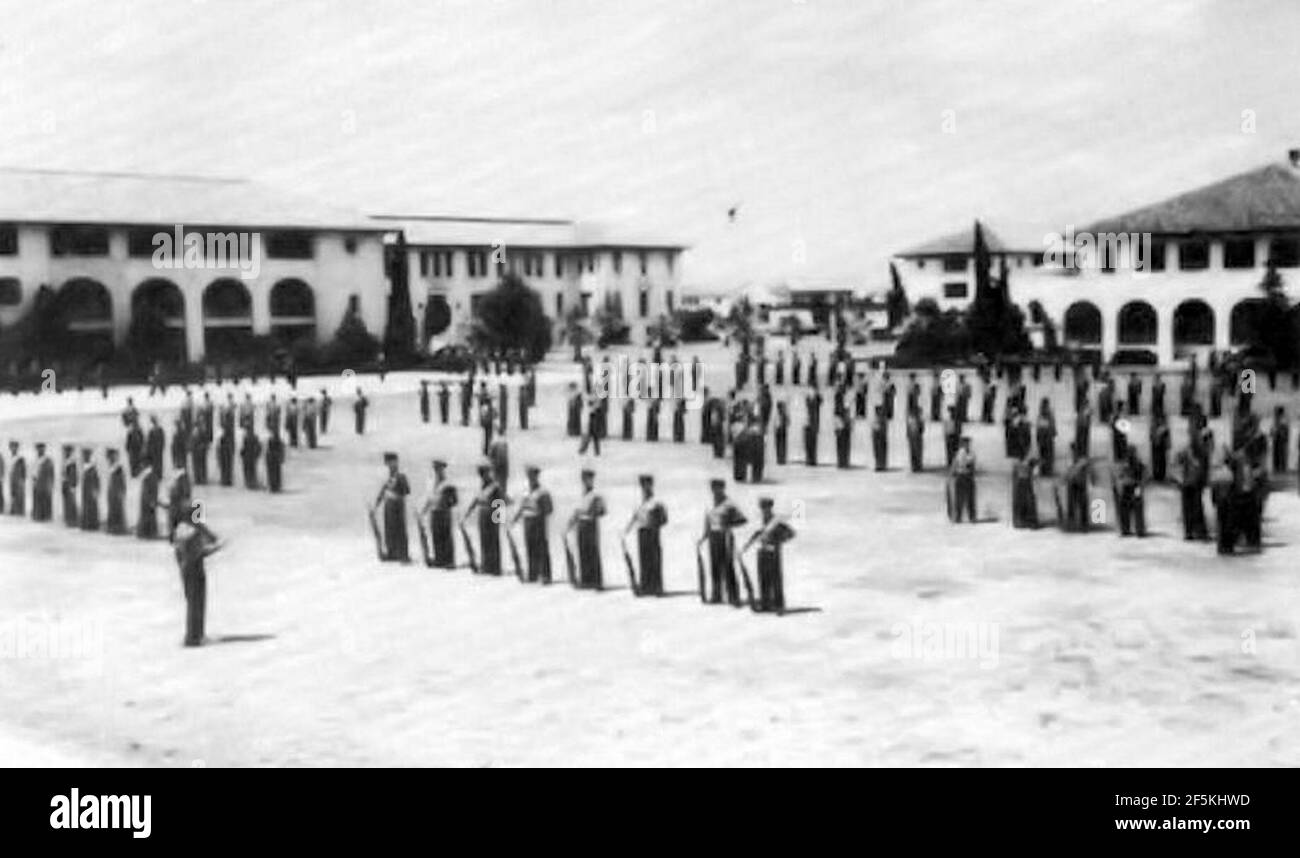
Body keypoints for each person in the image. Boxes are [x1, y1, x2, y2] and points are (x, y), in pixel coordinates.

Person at [172, 505, 222, 647]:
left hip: (186, 570)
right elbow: (198, 552)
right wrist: (216, 548)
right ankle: (194, 636)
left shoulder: (181, 530)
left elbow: (179, 553)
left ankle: (195, 634)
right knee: (197, 603)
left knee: (192, 602)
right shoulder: (191, 532)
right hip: (195, 570)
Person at [742, 497, 795, 613]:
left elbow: (791, 533)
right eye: (762, 508)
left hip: (773, 552)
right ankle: (765, 603)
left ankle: (779, 604)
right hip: (762, 552)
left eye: (766, 508)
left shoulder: (776, 521)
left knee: (776, 578)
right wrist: (746, 547)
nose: (764, 510)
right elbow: (756, 534)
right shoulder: (762, 521)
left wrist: (779, 541)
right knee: (763, 578)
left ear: (770, 508)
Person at [699, 478, 747, 606]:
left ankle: (733, 595)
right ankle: (717, 594)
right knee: (714, 566)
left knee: (727, 565)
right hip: (713, 537)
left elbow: (742, 520)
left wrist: (729, 525)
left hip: (725, 535)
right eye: (713, 488)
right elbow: (707, 521)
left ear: (722, 488)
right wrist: (703, 537)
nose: (715, 491)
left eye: (718, 488)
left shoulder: (729, 504)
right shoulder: (710, 505)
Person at [625, 474, 667, 597]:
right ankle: (646, 586)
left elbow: (664, 519)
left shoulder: (657, 503)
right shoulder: (639, 503)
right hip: (642, 532)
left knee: (654, 559)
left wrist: (656, 525)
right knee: (644, 560)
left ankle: (657, 587)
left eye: (647, 485)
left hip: (652, 532)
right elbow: (634, 518)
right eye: (643, 485)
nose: (645, 488)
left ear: (651, 485)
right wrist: (626, 530)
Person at [513, 465, 553, 583]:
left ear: (537, 476)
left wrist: (541, 513)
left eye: (533, 476)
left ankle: (545, 574)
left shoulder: (543, 492)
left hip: (538, 521)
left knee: (541, 547)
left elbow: (549, 509)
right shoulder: (526, 492)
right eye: (529, 476)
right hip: (528, 520)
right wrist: (516, 518)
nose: (531, 478)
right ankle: (533, 573)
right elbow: (522, 506)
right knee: (530, 547)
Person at [568, 468, 606, 589]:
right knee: (583, 551)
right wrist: (570, 524)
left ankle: (596, 580)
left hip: (590, 524)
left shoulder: (595, 495)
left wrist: (592, 513)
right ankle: (586, 579)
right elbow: (577, 512)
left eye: (588, 479)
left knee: (592, 551)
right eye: (584, 479)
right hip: (581, 524)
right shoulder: (582, 495)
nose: (586, 482)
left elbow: (602, 511)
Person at [463, 463, 504, 575]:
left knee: (493, 541)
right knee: (484, 540)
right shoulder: (482, 487)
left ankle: (495, 567)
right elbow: (475, 501)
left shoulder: (494, 486)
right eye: (481, 474)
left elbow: (499, 503)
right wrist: (467, 514)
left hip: (492, 514)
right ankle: (486, 565)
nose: (483, 476)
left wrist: (498, 520)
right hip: (483, 515)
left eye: (484, 473)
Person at [420, 460, 459, 568]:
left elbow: (455, 500)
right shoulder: (431, 483)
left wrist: (446, 504)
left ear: (443, 469)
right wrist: (424, 511)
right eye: (436, 469)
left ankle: (449, 561)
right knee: (436, 536)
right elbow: (429, 499)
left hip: (444, 513)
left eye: (439, 469)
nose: (437, 471)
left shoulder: (448, 484)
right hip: (434, 512)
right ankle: (439, 559)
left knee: (446, 536)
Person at [374, 453, 411, 563]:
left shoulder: (401, 477)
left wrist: (396, 494)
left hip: (397, 505)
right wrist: (376, 505)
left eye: (392, 462)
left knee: (400, 528)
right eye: (388, 463)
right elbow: (382, 492)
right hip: (388, 505)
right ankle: (392, 552)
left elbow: (406, 491)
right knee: (389, 529)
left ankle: (403, 554)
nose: (390, 465)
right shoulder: (388, 478)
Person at [1173, 440, 1209, 541]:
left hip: (1194, 484)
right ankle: (1190, 532)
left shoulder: (1200, 455)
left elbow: (1203, 469)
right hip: (1187, 484)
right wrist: (1178, 479)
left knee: (1196, 509)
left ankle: (1198, 532)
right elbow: (1176, 463)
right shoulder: (1186, 454)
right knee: (1189, 509)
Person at [1111, 443, 1148, 537]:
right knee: (1124, 508)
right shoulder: (1125, 464)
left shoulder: (1138, 464)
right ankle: (1125, 529)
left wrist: (1141, 486)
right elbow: (1119, 476)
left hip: (1136, 486)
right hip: (1126, 487)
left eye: (1132, 452)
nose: (1130, 454)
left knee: (1138, 507)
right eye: (1129, 452)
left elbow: (1144, 475)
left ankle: (1139, 529)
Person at [949, 437, 977, 524]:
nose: (967, 445)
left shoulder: (970, 453)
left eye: (968, 443)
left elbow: (970, 465)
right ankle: (961, 516)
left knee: (967, 498)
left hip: (966, 476)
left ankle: (968, 516)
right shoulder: (962, 453)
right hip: (962, 476)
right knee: (962, 498)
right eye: (965, 443)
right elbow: (956, 464)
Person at [1011, 452, 1038, 529]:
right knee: (1024, 502)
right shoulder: (1020, 465)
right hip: (1022, 485)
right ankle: (1022, 521)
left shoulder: (1021, 465)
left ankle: (1023, 521)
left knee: (1026, 502)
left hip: (1023, 485)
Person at [105, 449, 128, 535]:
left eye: (112, 457)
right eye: (110, 457)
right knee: (112, 510)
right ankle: (112, 527)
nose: (110, 459)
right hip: (111, 493)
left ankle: (118, 528)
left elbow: (122, 481)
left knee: (118, 510)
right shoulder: (111, 468)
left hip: (117, 493)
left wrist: (122, 492)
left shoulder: (119, 468)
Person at [137, 460, 161, 540]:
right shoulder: (146, 475)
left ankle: (150, 532)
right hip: (145, 499)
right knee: (145, 516)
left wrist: (153, 500)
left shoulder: (152, 476)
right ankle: (144, 532)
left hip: (149, 500)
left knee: (150, 517)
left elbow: (155, 489)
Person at [31, 442, 54, 522]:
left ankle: (46, 517)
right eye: (38, 449)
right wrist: (34, 480)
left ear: (44, 450)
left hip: (45, 484)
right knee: (37, 500)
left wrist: (50, 484)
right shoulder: (36, 460)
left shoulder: (48, 460)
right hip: (37, 484)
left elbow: (51, 474)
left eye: (42, 449)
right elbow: (33, 473)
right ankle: (38, 516)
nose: (40, 451)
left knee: (46, 500)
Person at [79, 448, 100, 531]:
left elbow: (97, 481)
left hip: (91, 491)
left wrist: (96, 491)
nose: (85, 457)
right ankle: (86, 524)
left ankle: (92, 525)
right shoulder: (84, 466)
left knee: (92, 508)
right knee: (85, 507)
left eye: (87, 455)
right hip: (85, 491)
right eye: (84, 456)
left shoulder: (93, 468)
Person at [60, 444, 78, 528]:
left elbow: (73, 475)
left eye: (67, 451)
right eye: (65, 451)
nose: (65, 453)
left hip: (70, 485)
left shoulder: (72, 462)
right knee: (66, 502)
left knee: (71, 503)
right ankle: (68, 519)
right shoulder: (65, 461)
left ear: (70, 452)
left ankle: (72, 521)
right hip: (65, 484)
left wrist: (72, 486)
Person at [6, 440, 25, 517]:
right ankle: (13, 509)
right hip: (12, 478)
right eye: (11, 447)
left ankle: (19, 511)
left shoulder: (20, 459)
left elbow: (23, 471)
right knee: (12, 494)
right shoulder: (10, 458)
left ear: (17, 448)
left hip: (18, 479)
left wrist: (22, 479)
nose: (13, 449)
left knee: (19, 494)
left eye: (14, 447)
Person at [1271, 406, 1289, 475]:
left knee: (1281, 454)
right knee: (1277, 454)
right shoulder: (1276, 420)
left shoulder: (1283, 420)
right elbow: (1273, 431)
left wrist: (1279, 431)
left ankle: (1281, 468)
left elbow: (1284, 431)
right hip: (1277, 440)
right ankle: (1278, 467)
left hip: (1281, 441)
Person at [906, 407, 924, 472]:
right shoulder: (912, 419)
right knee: (915, 452)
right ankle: (915, 466)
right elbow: (908, 429)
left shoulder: (914, 419)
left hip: (915, 437)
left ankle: (917, 466)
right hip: (914, 437)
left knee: (916, 452)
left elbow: (922, 429)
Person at [871, 405, 888, 472]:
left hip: (882, 438)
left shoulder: (883, 419)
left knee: (882, 452)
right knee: (877, 452)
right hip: (877, 438)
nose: (880, 412)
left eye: (881, 410)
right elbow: (874, 429)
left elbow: (884, 429)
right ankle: (878, 465)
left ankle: (882, 465)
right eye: (878, 411)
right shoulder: (876, 419)